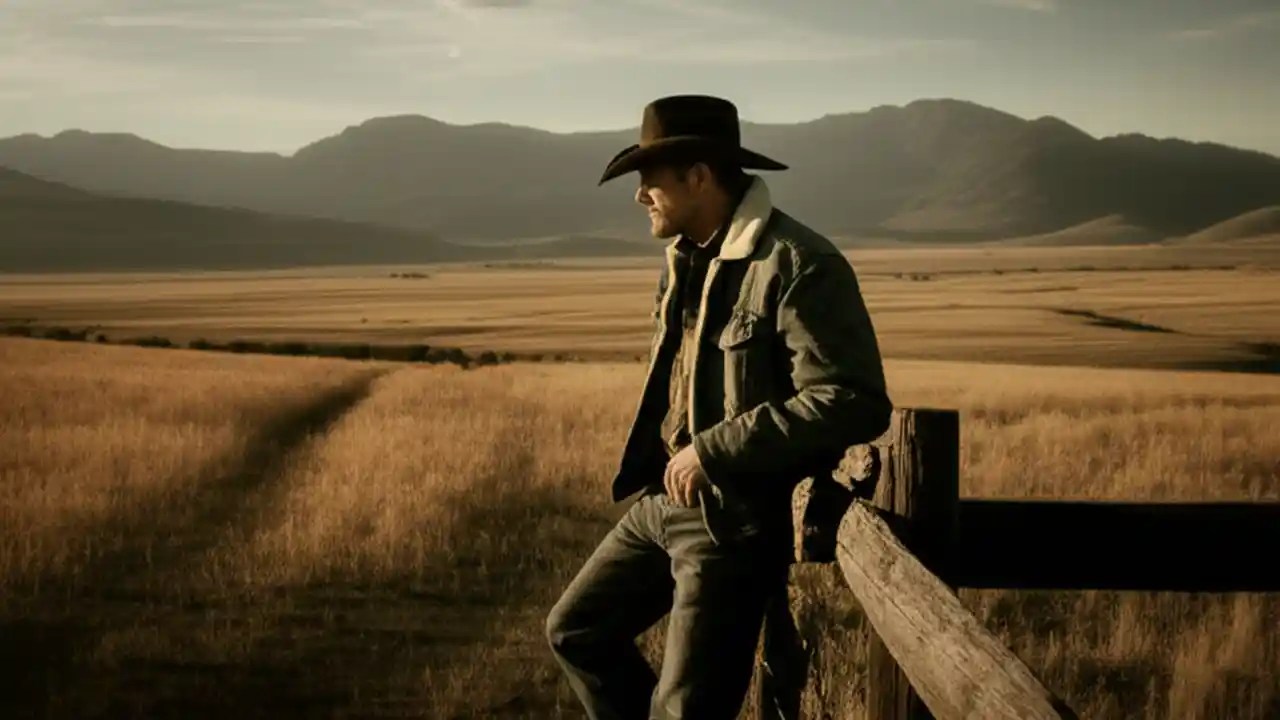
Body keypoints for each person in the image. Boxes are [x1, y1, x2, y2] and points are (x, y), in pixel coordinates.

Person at [545, 94, 893, 720]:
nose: (639, 196)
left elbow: (852, 399)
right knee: (575, 630)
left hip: (727, 523)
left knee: (686, 711)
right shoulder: (681, 260)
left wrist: (714, 448)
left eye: (650, 181)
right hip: (662, 503)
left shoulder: (798, 263)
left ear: (699, 177)